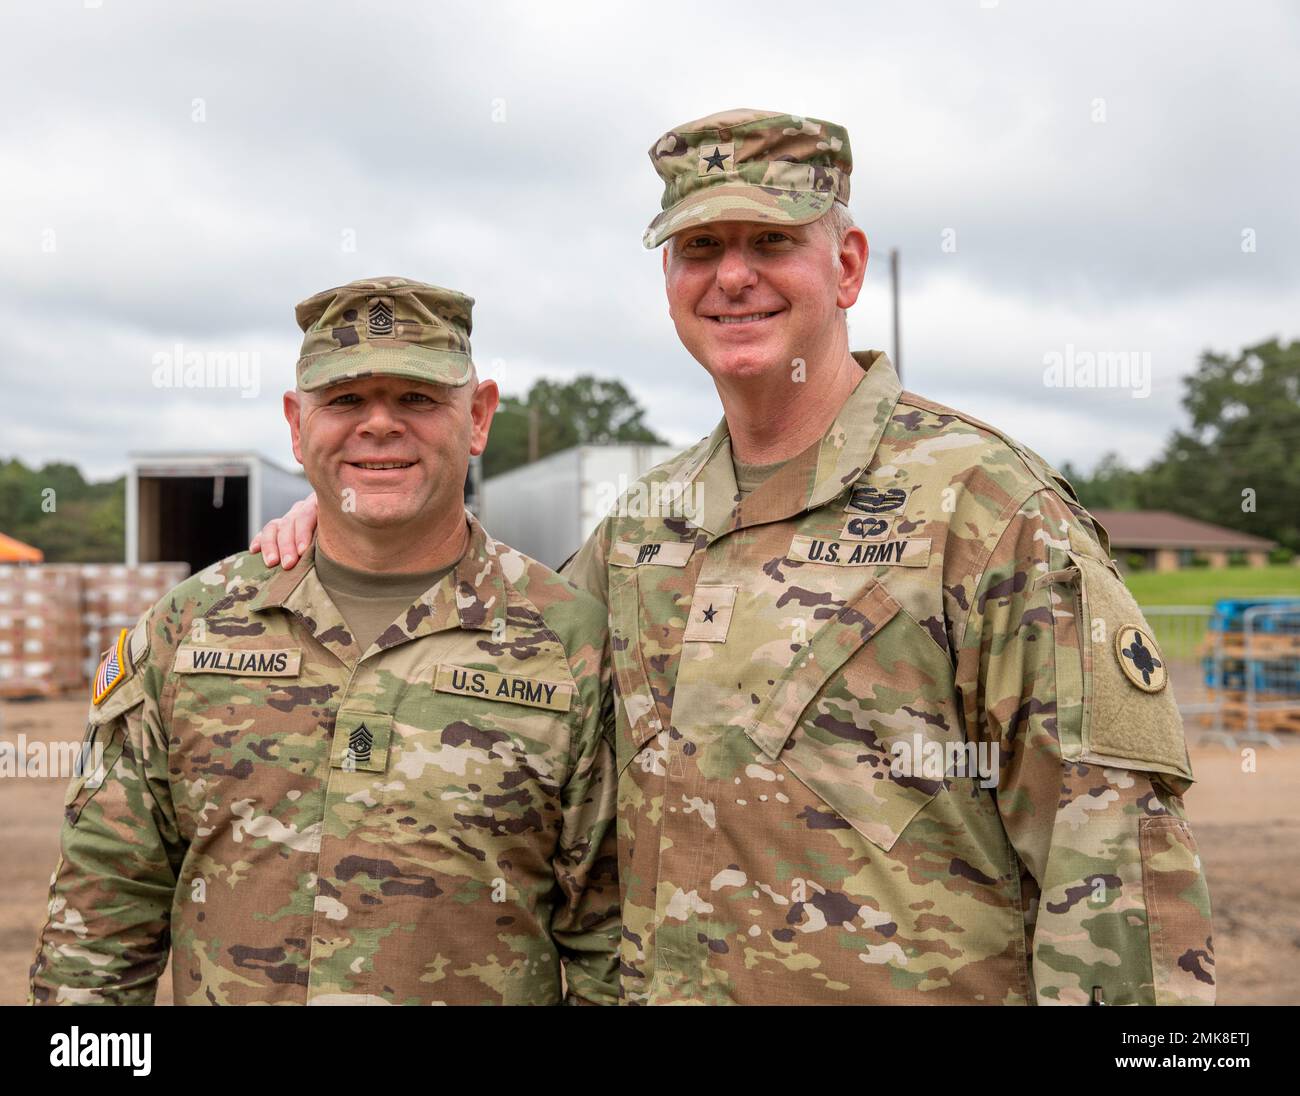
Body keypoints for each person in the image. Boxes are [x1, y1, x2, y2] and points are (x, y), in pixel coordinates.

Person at [251, 112, 1215, 1006]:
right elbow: (502, 637)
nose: (733, 277)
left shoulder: (985, 507)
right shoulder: (647, 525)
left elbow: (1115, 861)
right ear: (669, 280)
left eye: (770, 242)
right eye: (700, 249)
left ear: (845, 265)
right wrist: (356, 511)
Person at [30, 277, 619, 1005]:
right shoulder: (188, 632)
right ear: (295, 423)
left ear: (478, 417)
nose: (379, 425)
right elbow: (99, 927)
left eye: (417, 398)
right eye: (344, 400)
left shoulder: (569, 644)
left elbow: (610, 944)